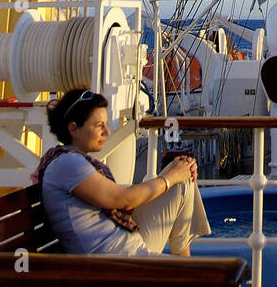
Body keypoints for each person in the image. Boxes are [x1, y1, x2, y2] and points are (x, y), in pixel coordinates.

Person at [37, 88, 210, 257]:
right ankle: (186, 275)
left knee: (183, 180)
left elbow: (124, 200)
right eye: (99, 126)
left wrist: (179, 172)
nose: (107, 131)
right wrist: (170, 177)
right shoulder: (68, 164)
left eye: (106, 124)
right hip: (117, 265)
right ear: (73, 129)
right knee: (223, 281)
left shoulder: (74, 160)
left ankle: (185, 265)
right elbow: (124, 200)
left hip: (127, 248)